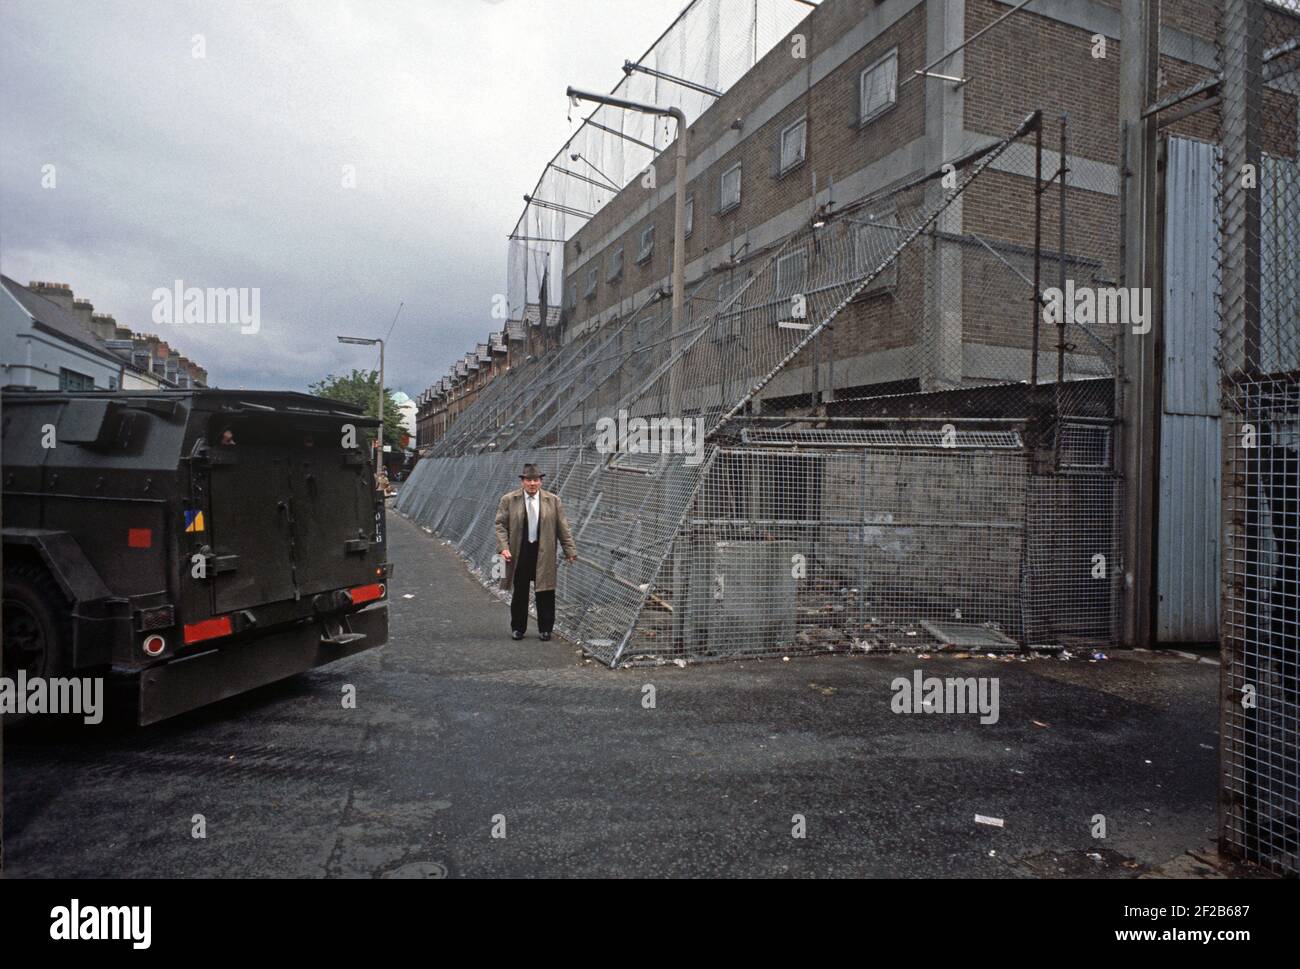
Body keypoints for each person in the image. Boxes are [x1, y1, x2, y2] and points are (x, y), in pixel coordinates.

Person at [494, 463, 577, 641]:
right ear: (522, 481)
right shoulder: (509, 499)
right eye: (529, 480)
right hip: (519, 551)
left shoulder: (553, 500)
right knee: (520, 592)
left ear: (541, 482)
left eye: (536, 480)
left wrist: (569, 550)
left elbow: (563, 527)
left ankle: (546, 629)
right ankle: (518, 628)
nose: (532, 484)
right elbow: (500, 525)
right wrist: (504, 548)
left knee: (546, 591)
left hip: (544, 551)